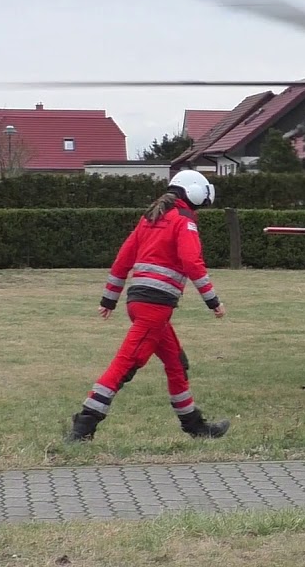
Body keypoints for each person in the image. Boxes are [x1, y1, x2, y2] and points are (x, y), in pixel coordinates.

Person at [65, 169, 231, 443]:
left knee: (177, 362)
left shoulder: (151, 218)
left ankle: (194, 425)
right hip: (155, 307)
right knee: (125, 364)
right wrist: (213, 301)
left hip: (139, 303)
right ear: (196, 193)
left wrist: (110, 298)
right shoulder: (184, 221)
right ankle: (83, 425)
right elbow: (192, 263)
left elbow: (123, 258)